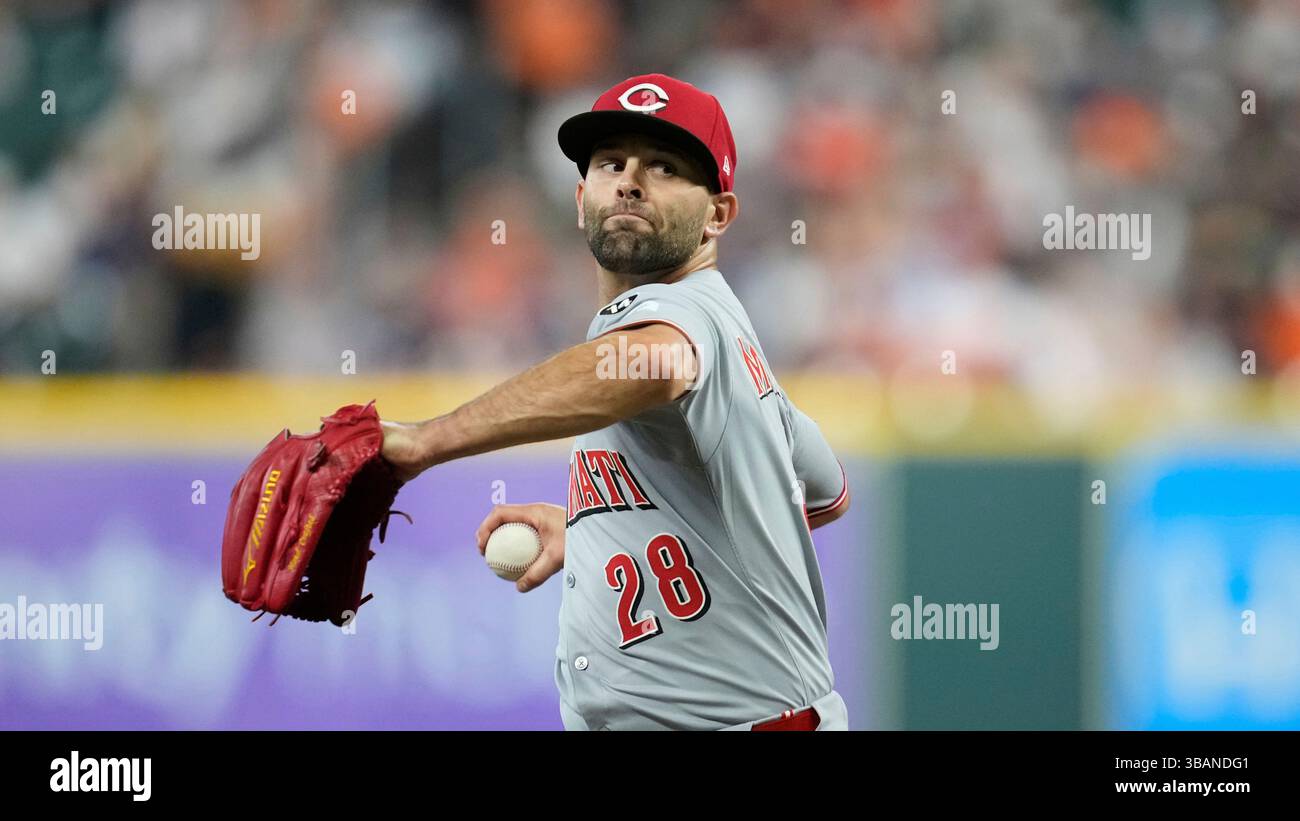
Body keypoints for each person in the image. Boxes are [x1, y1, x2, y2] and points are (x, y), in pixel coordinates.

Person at [380, 73, 851, 730]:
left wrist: (424, 442)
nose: (631, 180)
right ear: (581, 199)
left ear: (718, 212)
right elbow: (825, 489)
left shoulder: (676, 314)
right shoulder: (731, 334)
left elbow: (647, 362)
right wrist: (605, 531)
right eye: (611, 163)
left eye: (664, 166)